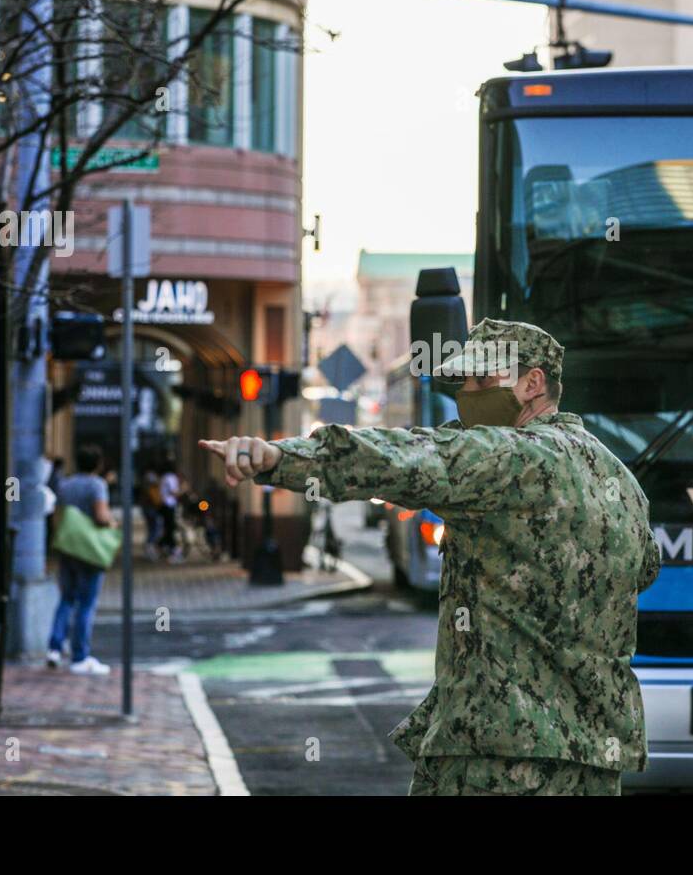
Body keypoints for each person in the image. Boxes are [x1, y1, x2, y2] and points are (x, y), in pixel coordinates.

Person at [200, 319, 660, 795]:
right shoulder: (620, 479)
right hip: (593, 757)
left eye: (483, 381)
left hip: (498, 754)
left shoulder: (510, 457)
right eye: (464, 383)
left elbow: (408, 458)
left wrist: (280, 459)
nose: (469, 393)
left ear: (533, 383)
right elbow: (644, 568)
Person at [47, 443, 115, 675]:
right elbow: (100, 515)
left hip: (68, 547)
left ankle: (54, 648)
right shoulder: (97, 485)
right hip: (89, 550)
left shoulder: (66, 485)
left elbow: (57, 513)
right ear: (98, 464)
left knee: (66, 598)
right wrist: (112, 522)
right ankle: (80, 656)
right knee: (86, 603)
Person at [158, 458, 184, 563]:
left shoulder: (163, 477)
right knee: (171, 528)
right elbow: (174, 492)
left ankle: (164, 547)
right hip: (169, 505)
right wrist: (184, 489)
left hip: (164, 505)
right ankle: (172, 551)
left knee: (168, 528)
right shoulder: (171, 477)